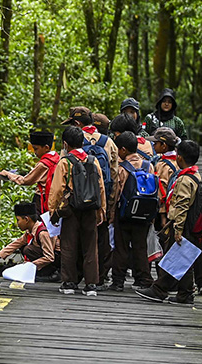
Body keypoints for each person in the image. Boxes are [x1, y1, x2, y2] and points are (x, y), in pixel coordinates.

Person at [136, 140, 202, 305]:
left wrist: (177, 229)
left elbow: (181, 205)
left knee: (173, 258)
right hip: (191, 224)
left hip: (182, 224)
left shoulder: (185, 180)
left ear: (179, 158)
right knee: (183, 258)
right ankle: (184, 294)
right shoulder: (196, 175)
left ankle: (160, 289)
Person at [62, 107, 118, 287]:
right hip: (96, 201)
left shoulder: (73, 141)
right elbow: (114, 175)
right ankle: (97, 279)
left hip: (74, 201)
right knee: (96, 243)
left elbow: (63, 173)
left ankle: (73, 279)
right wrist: (107, 204)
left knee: (72, 241)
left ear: (77, 123)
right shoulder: (108, 142)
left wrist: (56, 207)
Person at [48, 126, 106, 296]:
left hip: (71, 208)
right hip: (90, 208)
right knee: (90, 246)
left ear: (65, 144)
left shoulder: (65, 162)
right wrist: (101, 209)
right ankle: (91, 284)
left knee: (69, 245)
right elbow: (100, 186)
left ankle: (69, 283)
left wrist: (53, 210)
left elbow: (57, 189)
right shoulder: (93, 160)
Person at [108, 131, 157, 292]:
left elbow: (116, 193)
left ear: (123, 150)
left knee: (121, 248)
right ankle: (144, 278)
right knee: (140, 246)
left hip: (125, 215)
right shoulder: (148, 165)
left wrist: (111, 213)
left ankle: (118, 281)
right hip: (144, 214)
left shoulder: (122, 169)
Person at [0, 202, 58, 280]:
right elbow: (13, 246)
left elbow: (50, 257)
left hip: (56, 260)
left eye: (18, 220)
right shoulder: (29, 232)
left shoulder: (42, 233)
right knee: (23, 246)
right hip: (46, 258)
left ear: (26, 219)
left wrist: (29, 265)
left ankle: (49, 273)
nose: (17, 223)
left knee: (28, 249)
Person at [0, 131, 61, 214]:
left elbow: (25, 181)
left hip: (42, 199)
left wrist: (8, 174)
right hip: (54, 198)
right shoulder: (58, 158)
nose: (35, 152)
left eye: (36, 149)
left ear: (46, 147)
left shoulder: (43, 164)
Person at [147, 127, 179, 228]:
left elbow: (162, 191)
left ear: (164, 146)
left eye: (156, 143)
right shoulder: (179, 160)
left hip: (165, 213)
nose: (153, 145)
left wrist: (163, 217)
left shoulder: (162, 165)